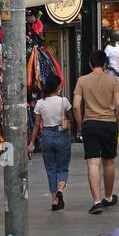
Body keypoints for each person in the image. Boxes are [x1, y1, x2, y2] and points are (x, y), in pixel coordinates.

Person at [73, 49, 119, 214]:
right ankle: (108, 197)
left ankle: (96, 201)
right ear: (104, 64)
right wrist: (116, 122)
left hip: (90, 124)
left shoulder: (82, 80)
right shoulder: (112, 81)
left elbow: (75, 106)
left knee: (92, 162)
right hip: (109, 123)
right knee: (108, 161)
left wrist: (80, 125)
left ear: (89, 63)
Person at [29, 73, 75, 211]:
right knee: (63, 167)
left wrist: (31, 142)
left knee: (50, 169)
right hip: (61, 134)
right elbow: (70, 117)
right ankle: (61, 189)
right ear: (58, 87)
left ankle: (54, 200)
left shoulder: (40, 103)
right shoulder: (63, 101)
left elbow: (37, 125)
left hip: (46, 135)